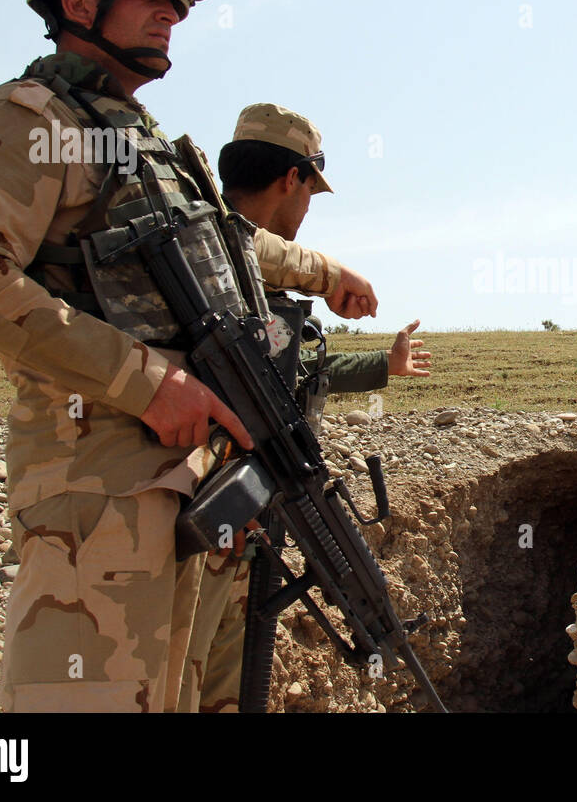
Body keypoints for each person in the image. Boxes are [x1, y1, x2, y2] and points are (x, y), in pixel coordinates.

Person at [0, 0, 378, 712]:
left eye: (176, 4)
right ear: (77, 1)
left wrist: (326, 271)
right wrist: (145, 382)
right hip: (95, 473)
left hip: (185, 475)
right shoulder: (30, 117)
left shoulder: (139, 141)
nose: (169, 16)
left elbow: (228, 243)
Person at [178, 102, 430, 712]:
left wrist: (382, 366)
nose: (309, 208)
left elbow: (292, 377)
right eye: (311, 191)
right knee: (188, 672)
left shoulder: (243, 271)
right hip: (206, 510)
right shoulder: (208, 262)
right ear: (293, 178)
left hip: (243, 508)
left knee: (225, 673)